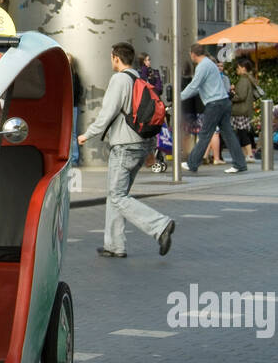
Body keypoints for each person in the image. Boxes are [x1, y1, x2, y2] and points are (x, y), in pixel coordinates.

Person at [78, 42, 175, 258]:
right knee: (117, 194)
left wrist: (87, 134)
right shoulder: (139, 79)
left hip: (125, 146)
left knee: (118, 196)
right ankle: (114, 245)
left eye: (111, 57)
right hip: (141, 144)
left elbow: (107, 112)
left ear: (116, 58)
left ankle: (160, 226)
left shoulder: (120, 79)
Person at [180, 44, 247, 175]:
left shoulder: (203, 66)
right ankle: (240, 163)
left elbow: (194, 86)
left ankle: (192, 163)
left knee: (205, 133)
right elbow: (200, 87)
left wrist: (179, 97)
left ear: (193, 54)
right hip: (223, 102)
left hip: (214, 103)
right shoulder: (210, 64)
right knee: (228, 133)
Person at [230, 55, 259, 161]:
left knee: (242, 133)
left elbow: (241, 96)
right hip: (245, 109)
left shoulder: (243, 80)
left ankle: (249, 154)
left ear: (243, 68)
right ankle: (245, 154)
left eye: (238, 67)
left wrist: (231, 95)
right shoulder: (249, 79)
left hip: (240, 110)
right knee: (242, 132)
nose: (237, 69)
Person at [67, 52, 83, 166]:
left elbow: (78, 91)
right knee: (70, 133)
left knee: (72, 134)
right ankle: (70, 158)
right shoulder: (65, 74)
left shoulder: (74, 74)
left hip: (72, 106)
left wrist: (73, 101)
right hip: (68, 106)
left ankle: (74, 159)